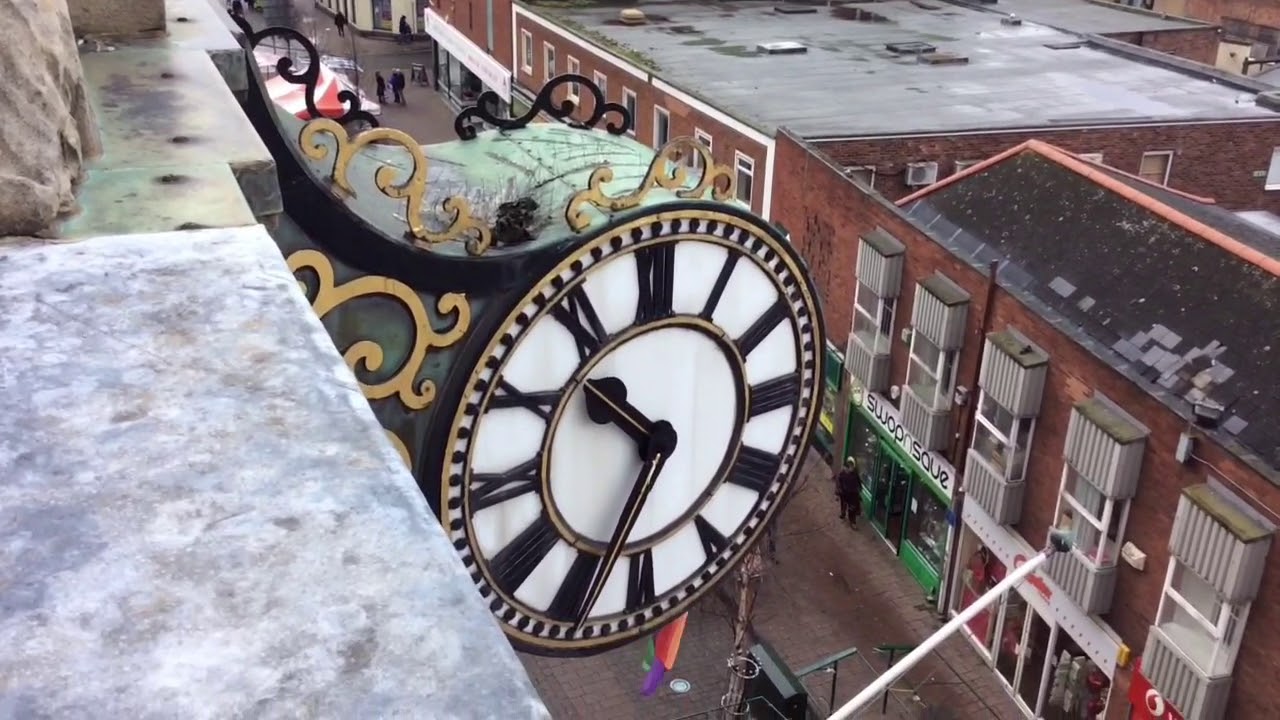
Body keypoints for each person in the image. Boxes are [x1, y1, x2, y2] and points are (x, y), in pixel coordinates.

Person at [836, 457, 862, 529]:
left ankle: (852, 522)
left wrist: (859, 488)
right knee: (843, 504)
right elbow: (839, 481)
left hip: (853, 494)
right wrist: (839, 490)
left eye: (852, 467)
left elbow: (859, 482)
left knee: (852, 508)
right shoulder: (842, 473)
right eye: (850, 467)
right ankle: (843, 513)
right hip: (844, 493)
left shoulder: (855, 474)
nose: (852, 468)